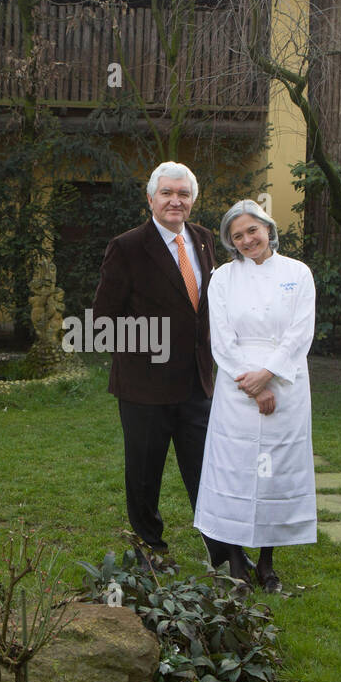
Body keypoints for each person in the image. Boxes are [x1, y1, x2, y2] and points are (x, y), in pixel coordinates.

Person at [92, 162, 245, 575]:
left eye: (183, 194)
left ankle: (223, 555)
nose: (175, 201)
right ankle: (150, 552)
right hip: (144, 389)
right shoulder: (127, 247)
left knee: (208, 474)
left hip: (197, 384)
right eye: (167, 193)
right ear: (151, 199)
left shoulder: (204, 239)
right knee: (144, 476)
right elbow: (103, 323)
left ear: (192, 200)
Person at [193, 200, 317, 592]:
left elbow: (301, 332)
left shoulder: (298, 273)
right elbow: (222, 337)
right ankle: (234, 562)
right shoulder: (223, 279)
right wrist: (252, 383)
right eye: (238, 236)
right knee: (236, 471)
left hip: (286, 385)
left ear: (268, 228)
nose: (247, 240)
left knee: (272, 475)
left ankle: (267, 563)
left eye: (252, 231)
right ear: (231, 242)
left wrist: (269, 376)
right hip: (238, 387)